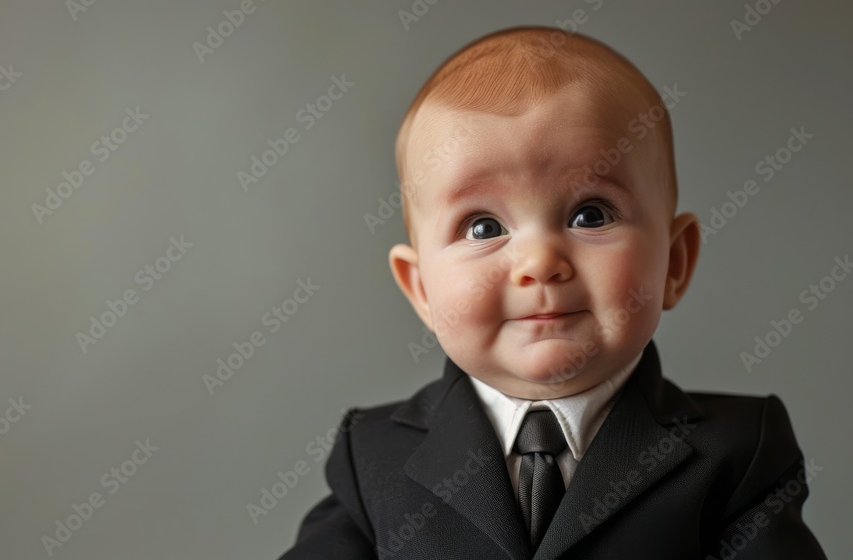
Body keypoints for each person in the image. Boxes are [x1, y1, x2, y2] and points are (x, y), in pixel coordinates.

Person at [280, 27, 827, 559]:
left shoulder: (738, 452)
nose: (540, 263)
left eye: (591, 215)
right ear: (420, 289)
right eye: (483, 227)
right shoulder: (373, 454)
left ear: (674, 263)